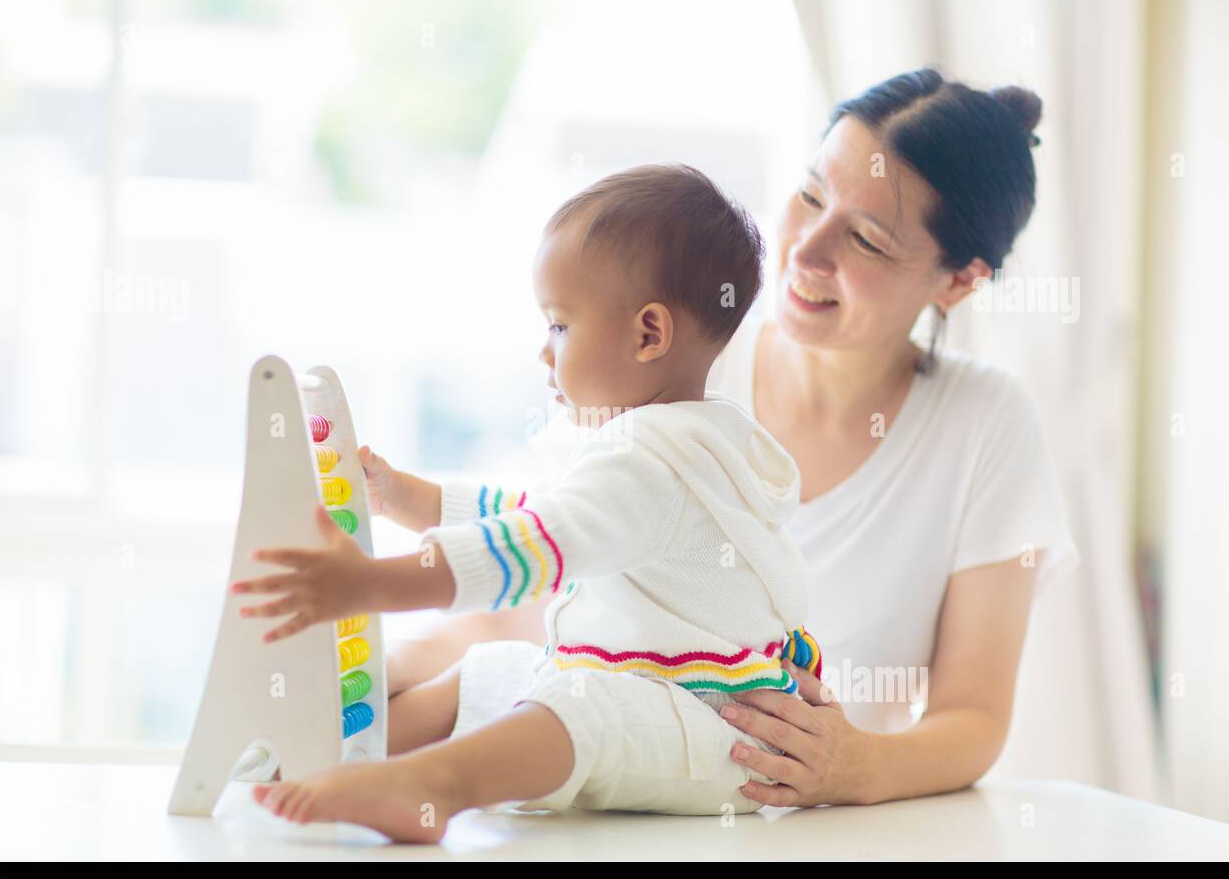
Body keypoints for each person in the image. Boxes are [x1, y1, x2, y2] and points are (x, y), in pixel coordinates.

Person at [384, 67, 1080, 811]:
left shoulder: (986, 424)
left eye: (867, 240)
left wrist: (848, 767)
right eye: (811, 195)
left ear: (959, 282)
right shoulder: (679, 353)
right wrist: (386, 669)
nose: (808, 251)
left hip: (783, 824)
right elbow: (542, 565)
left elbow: (972, 720)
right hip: (591, 773)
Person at [233, 164, 824, 841]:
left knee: (582, 707)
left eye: (560, 326)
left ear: (648, 335)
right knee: (494, 674)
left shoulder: (655, 465)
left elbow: (529, 548)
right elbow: (530, 513)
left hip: (718, 738)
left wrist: (370, 584)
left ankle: (428, 786)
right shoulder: (657, 445)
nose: (544, 352)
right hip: (662, 708)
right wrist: (404, 496)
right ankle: (327, 759)